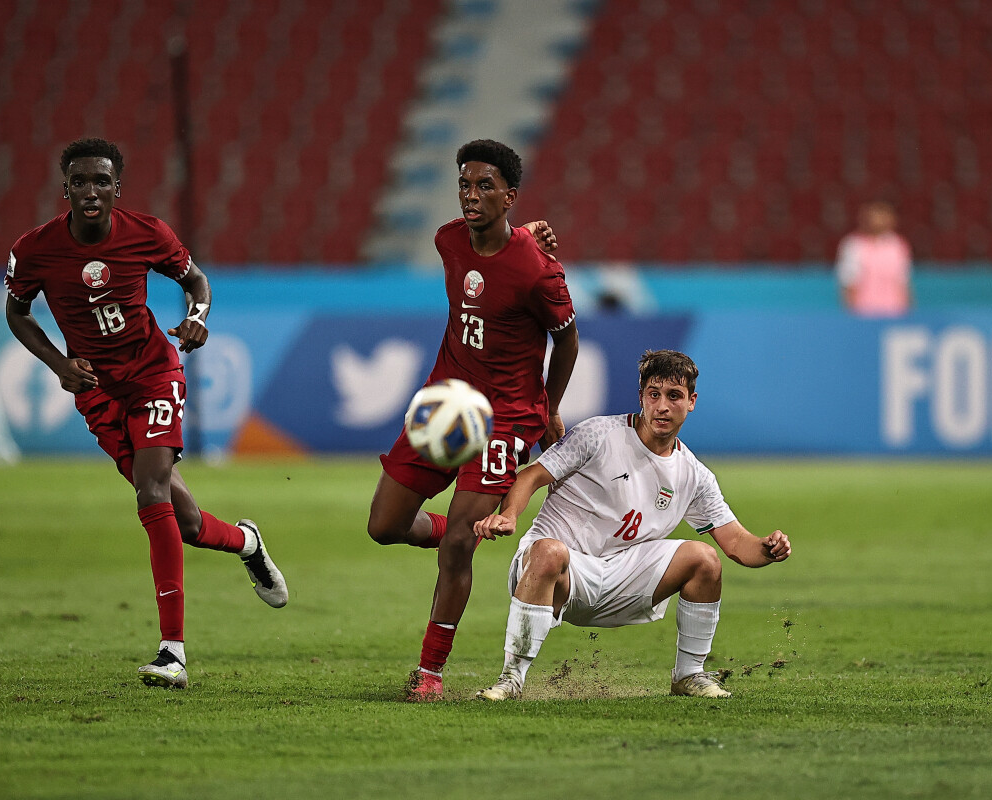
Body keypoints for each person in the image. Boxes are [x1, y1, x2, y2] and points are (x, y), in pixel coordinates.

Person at [4, 137, 288, 690]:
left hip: (155, 373)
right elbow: (17, 313)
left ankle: (172, 652)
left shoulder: (147, 233)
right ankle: (248, 544)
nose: (90, 192)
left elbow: (195, 281)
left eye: (101, 182)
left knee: (151, 491)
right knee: (183, 522)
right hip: (96, 391)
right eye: (80, 182)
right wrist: (59, 363)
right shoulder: (34, 249)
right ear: (64, 189)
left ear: (117, 189)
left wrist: (198, 317)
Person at [366, 139, 579, 702]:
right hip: (445, 404)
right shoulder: (447, 240)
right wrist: (525, 231)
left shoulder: (540, 274)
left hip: (505, 419)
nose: (472, 195)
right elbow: (496, 248)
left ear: (509, 195)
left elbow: (568, 341)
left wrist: (549, 409)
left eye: (486, 186)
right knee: (384, 526)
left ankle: (430, 672)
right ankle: (447, 530)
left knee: (459, 547)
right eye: (465, 184)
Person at [472, 349, 791, 701]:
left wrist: (768, 548)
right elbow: (530, 475)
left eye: (674, 396)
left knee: (704, 558)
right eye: (654, 394)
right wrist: (510, 515)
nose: (662, 406)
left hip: (623, 578)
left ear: (692, 401)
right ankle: (511, 679)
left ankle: (689, 675)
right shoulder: (598, 434)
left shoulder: (694, 475)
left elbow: (735, 543)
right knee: (548, 550)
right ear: (641, 396)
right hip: (560, 573)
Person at [836, 200, 913, 317]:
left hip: (895, 313)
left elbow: (902, 283)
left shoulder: (898, 245)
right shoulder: (853, 245)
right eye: (875, 215)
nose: (879, 220)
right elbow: (849, 285)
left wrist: (908, 314)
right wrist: (853, 316)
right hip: (864, 314)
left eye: (883, 215)